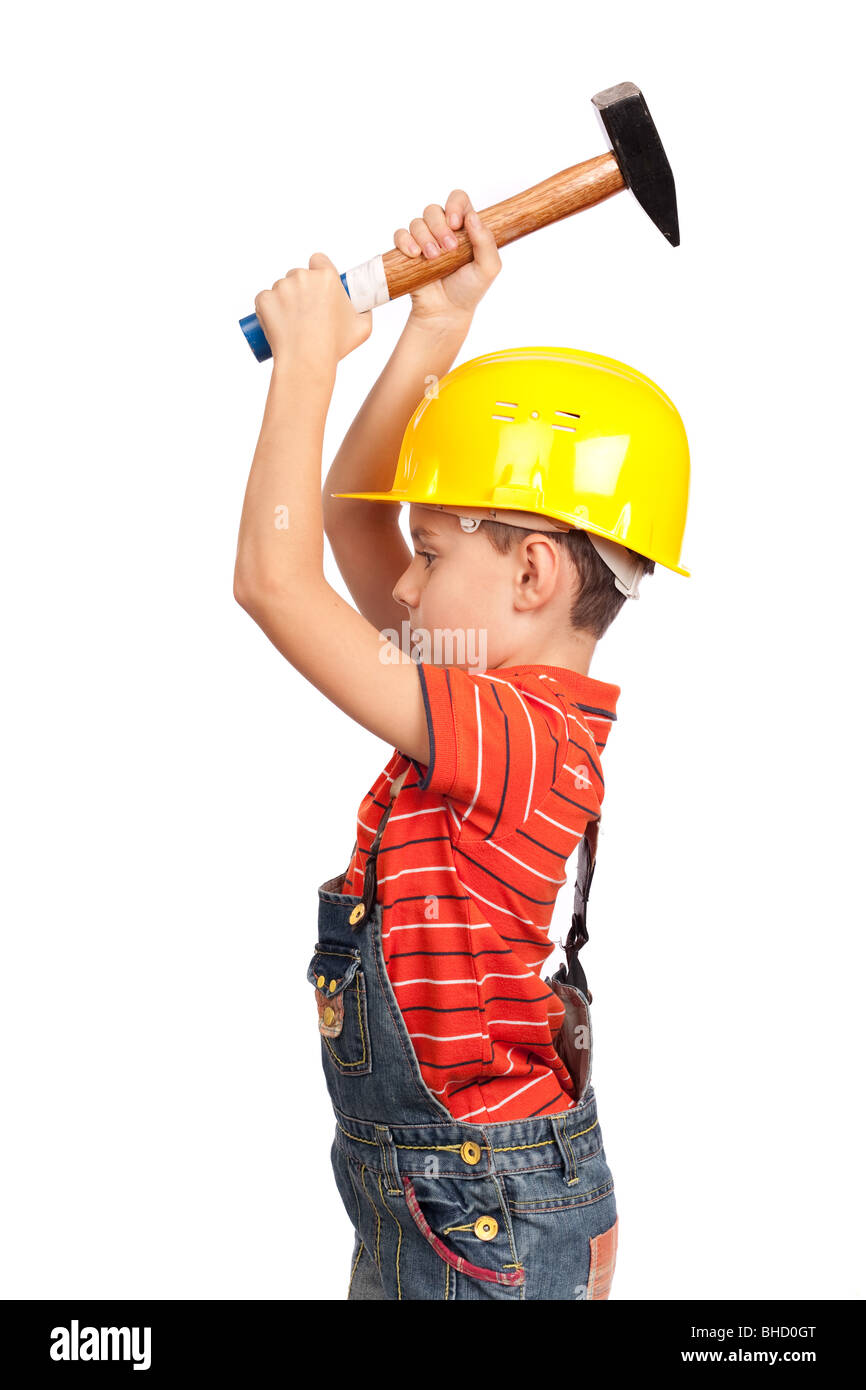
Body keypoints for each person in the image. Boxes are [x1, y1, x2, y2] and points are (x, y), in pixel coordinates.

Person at [233, 191, 690, 1300]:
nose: (399, 578)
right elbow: (348, 513)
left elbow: (276, 580)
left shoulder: (508, 734)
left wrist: (306, 366)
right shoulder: (497, 699)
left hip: (482, 1211)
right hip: (460, 1199)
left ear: (530, 575)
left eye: (428, 550)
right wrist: (434, 325)